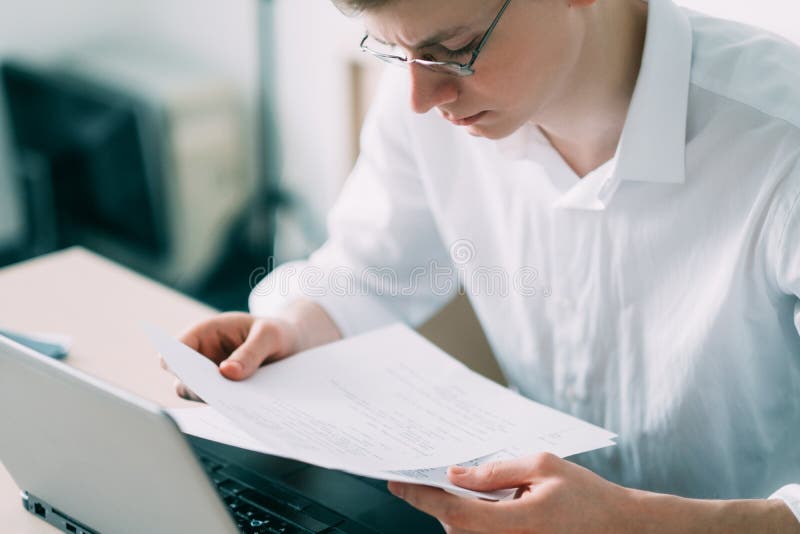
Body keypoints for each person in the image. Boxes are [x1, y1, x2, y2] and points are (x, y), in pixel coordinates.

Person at [168, 0, 800, 531]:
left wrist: (629, 521)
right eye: (396, 53)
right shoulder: (427, 98)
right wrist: (296, 330)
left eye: (458, 47)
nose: (421, 97)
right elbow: (370, 269)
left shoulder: (781, 144)